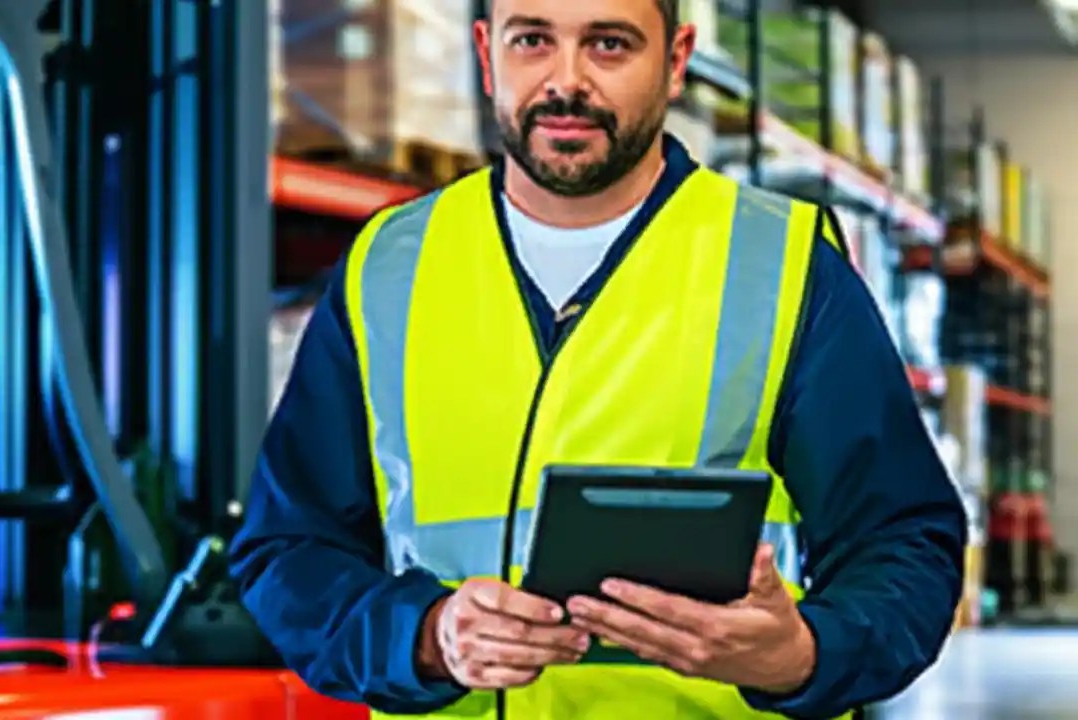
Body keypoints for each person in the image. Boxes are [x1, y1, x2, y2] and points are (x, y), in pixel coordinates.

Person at [229, 0, 967, 717]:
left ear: (675, 62)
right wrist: (422, 637)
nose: (567, 80)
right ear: (487, 56)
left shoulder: (784, 264)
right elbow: (288, 549)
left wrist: (802, 653)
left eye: (609, 44)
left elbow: (907, 543)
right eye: (533, 41)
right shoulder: (388, 266)